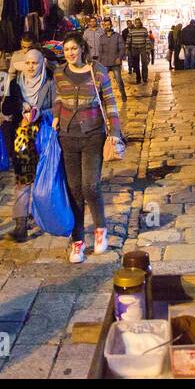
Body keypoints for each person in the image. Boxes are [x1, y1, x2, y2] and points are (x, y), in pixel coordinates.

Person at [53, 31, 124, 263]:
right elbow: (58, 99)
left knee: (90, 186)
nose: (70, 53)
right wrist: (55, 116)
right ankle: (77, 241)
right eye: (66, 50)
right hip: (67, 137)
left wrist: (114, 133)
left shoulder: (97, 71)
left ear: (82, 48)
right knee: (74, 190)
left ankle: (101, 229)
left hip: (93, 134)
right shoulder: (60, 73)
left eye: (73, 49)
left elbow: (110, 102)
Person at [0, 47, 54, 243]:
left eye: (35, 63)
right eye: (28, 63)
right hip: (22, 137)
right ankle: (20, 225)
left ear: (42, 64)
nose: (31, 67)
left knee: (43, 178)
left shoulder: (49, 82)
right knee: (22, 179)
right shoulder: (15, 83)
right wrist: (19, 107)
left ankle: (45, 217)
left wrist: (41, 112)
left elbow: (57, 106)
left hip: (45, 136)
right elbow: (5, 108)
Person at [92, 16, 127, 102]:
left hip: (115, 62)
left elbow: (122, 48)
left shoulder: (118, 36)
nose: (107, 26)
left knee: (119, 81)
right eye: (105, 25)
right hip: (105, 63)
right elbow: (100, 51)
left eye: (108, 24)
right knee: (101, 81)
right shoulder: (102, 37)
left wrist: (120, 57)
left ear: (111, 25)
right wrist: (99, 63)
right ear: (104, 26)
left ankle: (123, 95)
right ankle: (100, 98)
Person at [126, 17, 151, 83]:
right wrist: (127, 48)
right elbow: (128, 40)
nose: (137, 24)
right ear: (134, 23)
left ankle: (145, 78)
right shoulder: (132, 31)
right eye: (136, 23)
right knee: (136, 64)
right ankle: (138, 78)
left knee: (144, 64)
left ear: (140, 23)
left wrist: (148, 49)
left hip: (143, 48)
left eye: (138, 23)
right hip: (134, 48)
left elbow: (147, 39)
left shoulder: (144, 30)